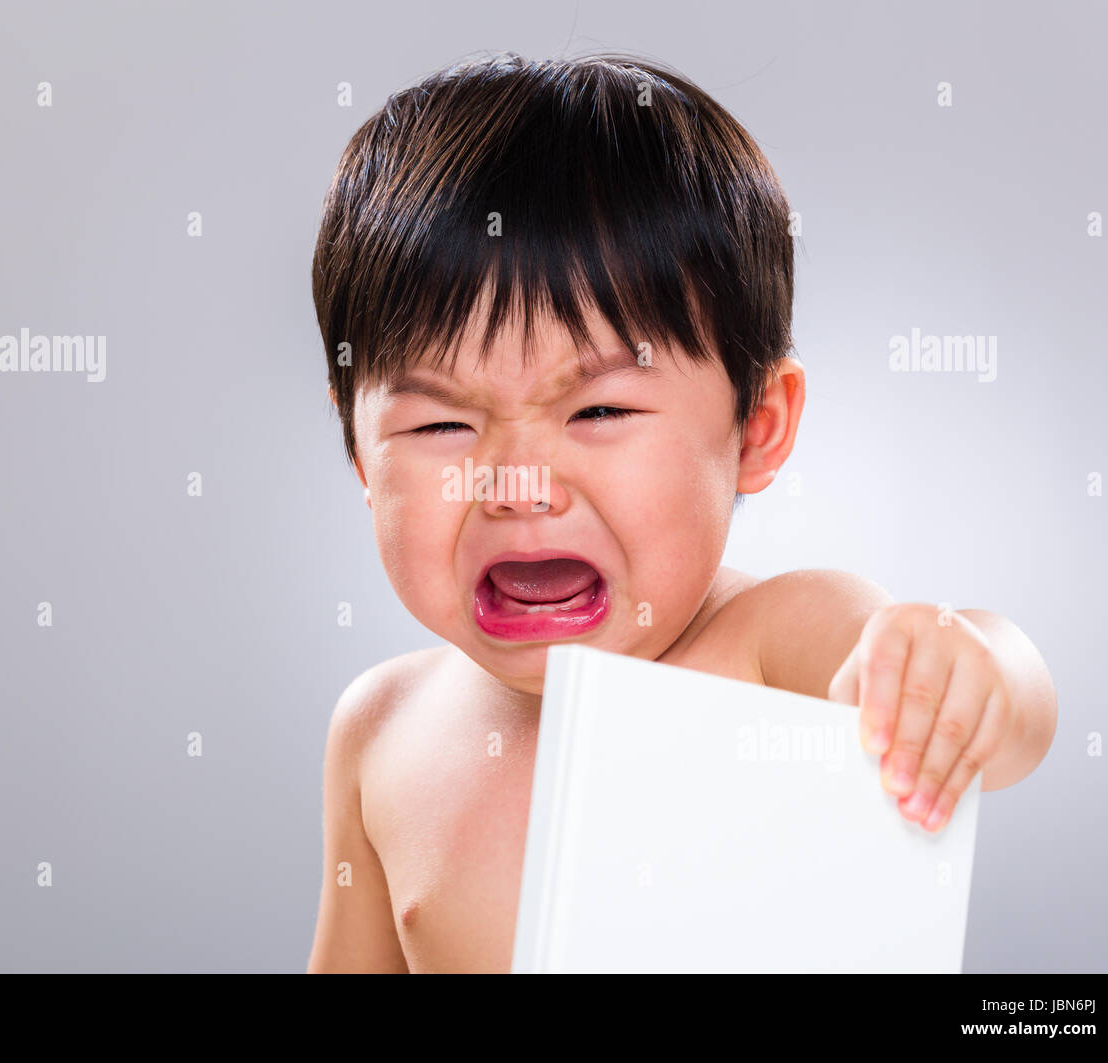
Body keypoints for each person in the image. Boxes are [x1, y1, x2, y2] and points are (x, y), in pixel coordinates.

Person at [306, 51, 1057, 973]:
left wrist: (968, 662)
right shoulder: (380, 728)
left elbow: (997, 717)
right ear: (359, 457)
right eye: (442, 423)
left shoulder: (776, 647)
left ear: (758, 429)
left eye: (601, 411)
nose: (516, 486)